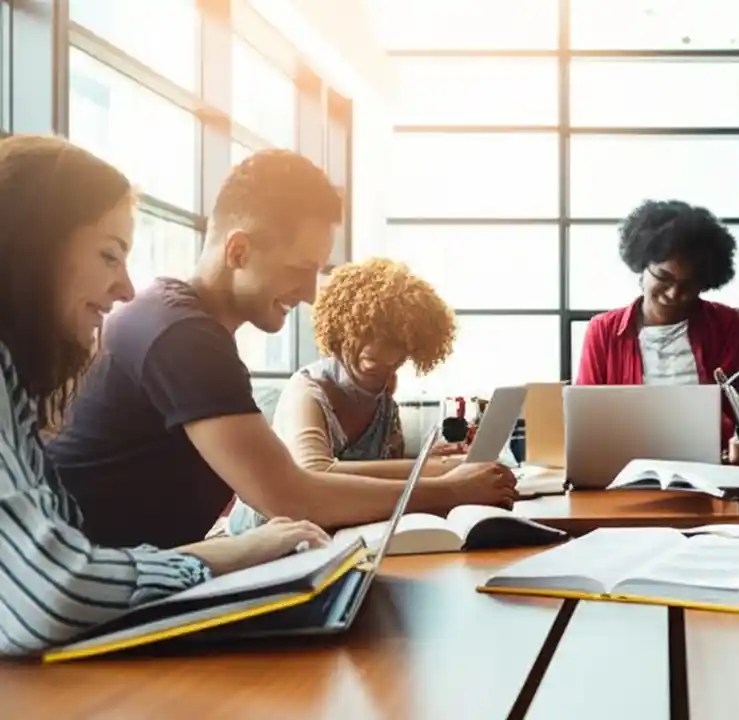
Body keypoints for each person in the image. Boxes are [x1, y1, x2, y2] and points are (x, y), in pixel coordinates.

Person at [48, 150, 516, 549]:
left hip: (136, 589)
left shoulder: (186, 325)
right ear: (238, 252)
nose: (312, 292)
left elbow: (288, 480)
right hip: (95, 616)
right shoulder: (179, 333)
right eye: (301, 268)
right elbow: (291, 496)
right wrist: (448, 490)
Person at [0, 135, 327, 656]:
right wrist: (222, 557)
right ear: (29, 250)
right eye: (109, 255)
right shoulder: (179, 332)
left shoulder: (16, 388)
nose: (125, 288)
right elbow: (52, 591)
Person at [225, 258, 468, 533]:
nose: (377, 349)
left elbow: (383, 489)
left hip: (333, 537)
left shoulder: (385, 401)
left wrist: (428, 460)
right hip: (263, 542)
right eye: (366, 332)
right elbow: (315, 472)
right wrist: (438, 470)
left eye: (395, 340)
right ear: (341, 329)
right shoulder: (307, 390)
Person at [576, 199, 739, 442]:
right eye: (663, 277)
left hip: (708, 466)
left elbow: (734, 414)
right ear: (642, 267)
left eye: (688, 284)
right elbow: (586, 419)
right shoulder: (604, 330)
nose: (673, 293)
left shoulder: (727, 325)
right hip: (623, 468)